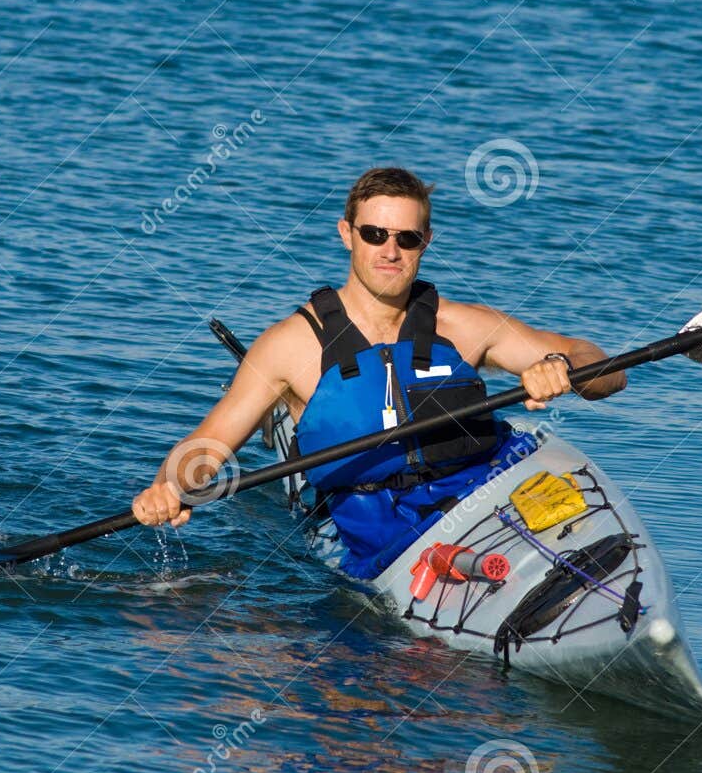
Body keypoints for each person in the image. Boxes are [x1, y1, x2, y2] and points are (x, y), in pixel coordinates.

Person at [130, 166, 627, 579]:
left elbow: (603, 368)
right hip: (367, 527)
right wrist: (167, 488)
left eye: (406, 238)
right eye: (374, 234)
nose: (390, 251)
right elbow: (210, 443)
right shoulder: (290, 346)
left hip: (486, 493)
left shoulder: (467, 326)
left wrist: (563, 369)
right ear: (347, 233)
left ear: (426, 242)